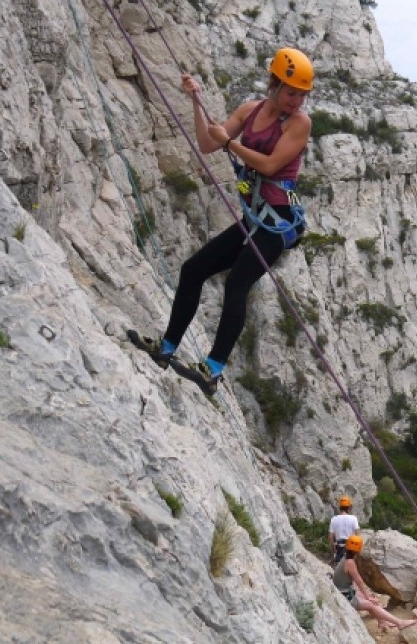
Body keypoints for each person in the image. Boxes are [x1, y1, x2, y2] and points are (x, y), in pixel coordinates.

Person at [127, 48, 314, 395]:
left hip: (277, 224)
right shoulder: (250, 110)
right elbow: (206, 142)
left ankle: (213, 370)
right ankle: (166, 349)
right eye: (292, 92)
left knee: (238, 283)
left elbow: (270, 166)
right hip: (253, 216)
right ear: (274, 83)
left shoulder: (299, 123)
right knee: (192, 269)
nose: (297, 100)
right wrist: (197, 102)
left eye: (303, 94)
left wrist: (230, 143)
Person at [332, 534, 417, 631]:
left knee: (371, 598)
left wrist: (367, 595)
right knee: (371, 605)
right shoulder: (350, 562)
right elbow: (359, 580)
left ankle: (382, 622)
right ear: (359, 549)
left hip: (343, 591)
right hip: (344, 596)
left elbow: (350, 582)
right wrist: (367, 596)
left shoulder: (346, 559)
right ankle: (399, 623)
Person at [329, 495, 360, 564]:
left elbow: (331, 537)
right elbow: (358, 535)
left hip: (338, 547)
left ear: (340, 507)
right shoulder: (353, 518)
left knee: (338, 565)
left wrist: (332, 547)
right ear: (349, 507)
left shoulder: (333, 519)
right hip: (351, 547)